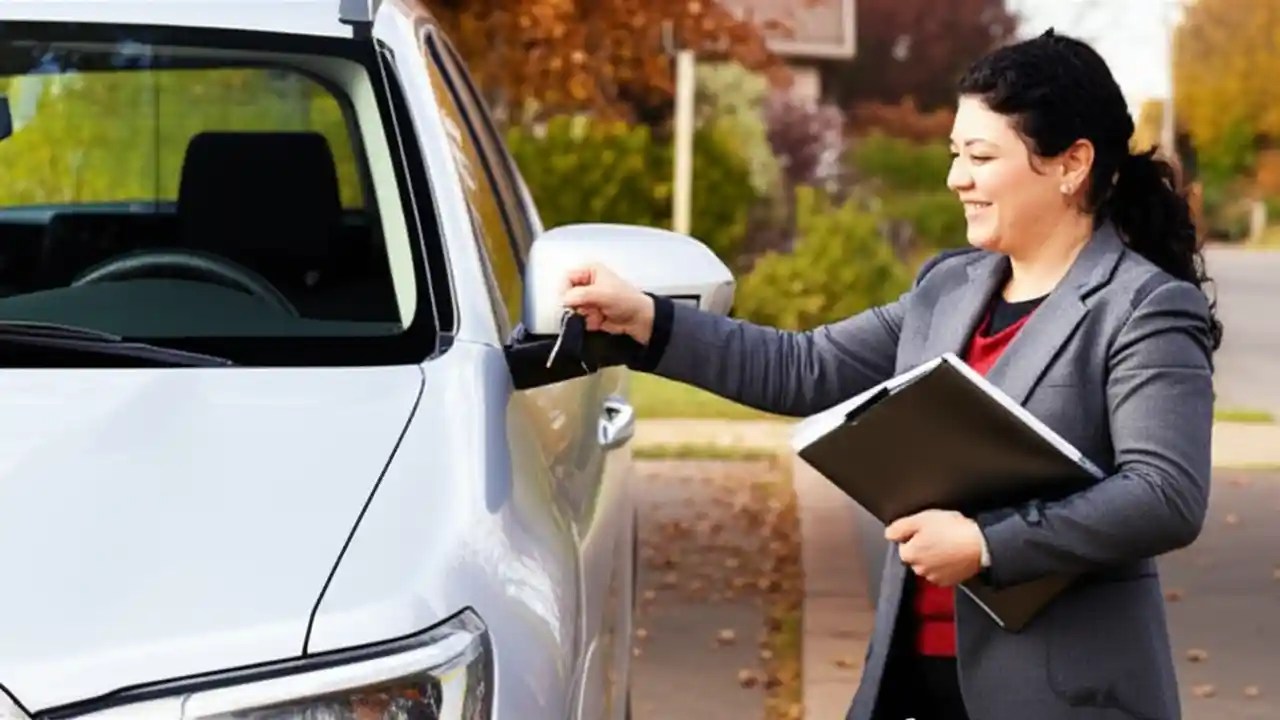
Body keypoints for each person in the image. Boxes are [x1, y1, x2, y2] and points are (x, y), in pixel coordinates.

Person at [556, 29, 1221, 720]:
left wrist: (987, 545)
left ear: (1072, 163)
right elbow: (804, 367)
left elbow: (1164, 494)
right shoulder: (948, 288)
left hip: (1061, 696)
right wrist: (649, 320)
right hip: (911, 682)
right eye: (955, 154)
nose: (956, 178)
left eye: (981, 156)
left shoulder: (1144, 306)